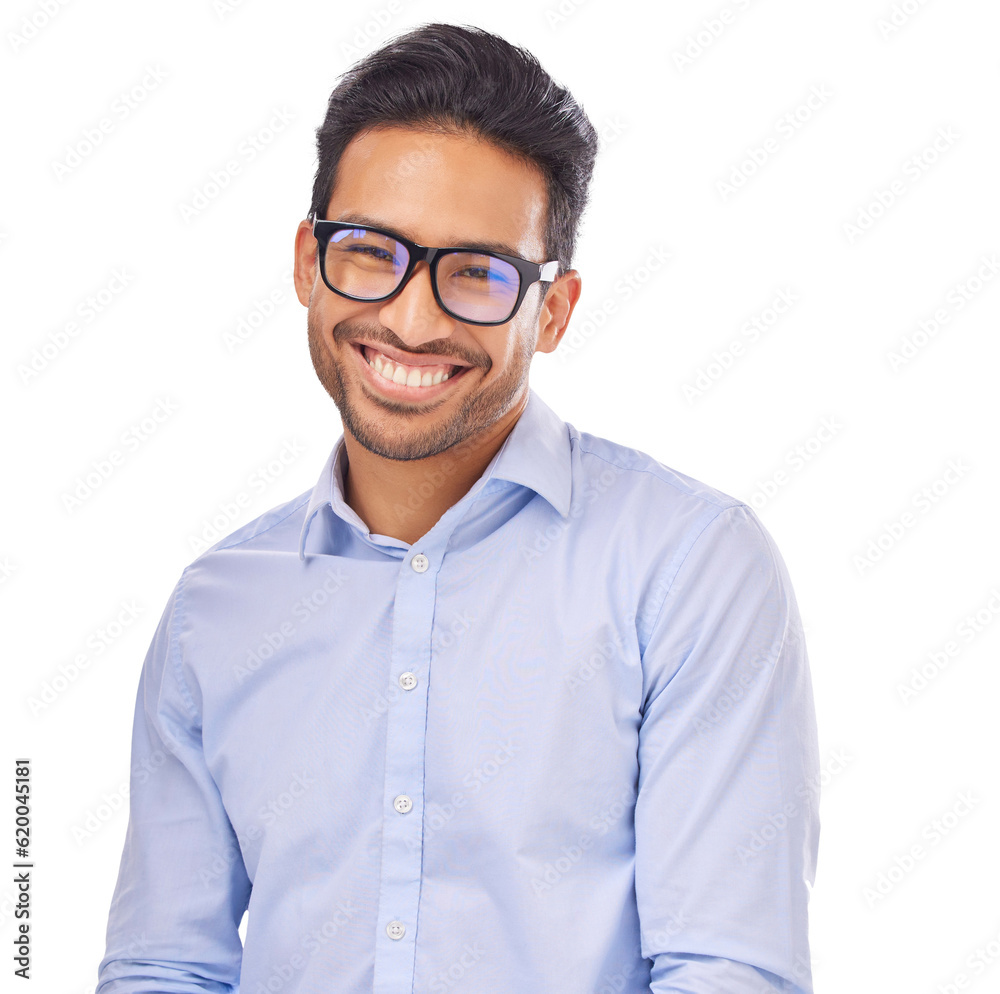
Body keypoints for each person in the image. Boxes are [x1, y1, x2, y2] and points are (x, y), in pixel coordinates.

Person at [96, 21, 820, 994]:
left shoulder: (688, 569)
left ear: (552, 311)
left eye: (477, 272)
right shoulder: (214, 609)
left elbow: (729, 971)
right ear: (308, 260)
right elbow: (164, 965)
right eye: (370, 251)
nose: (411, 318)